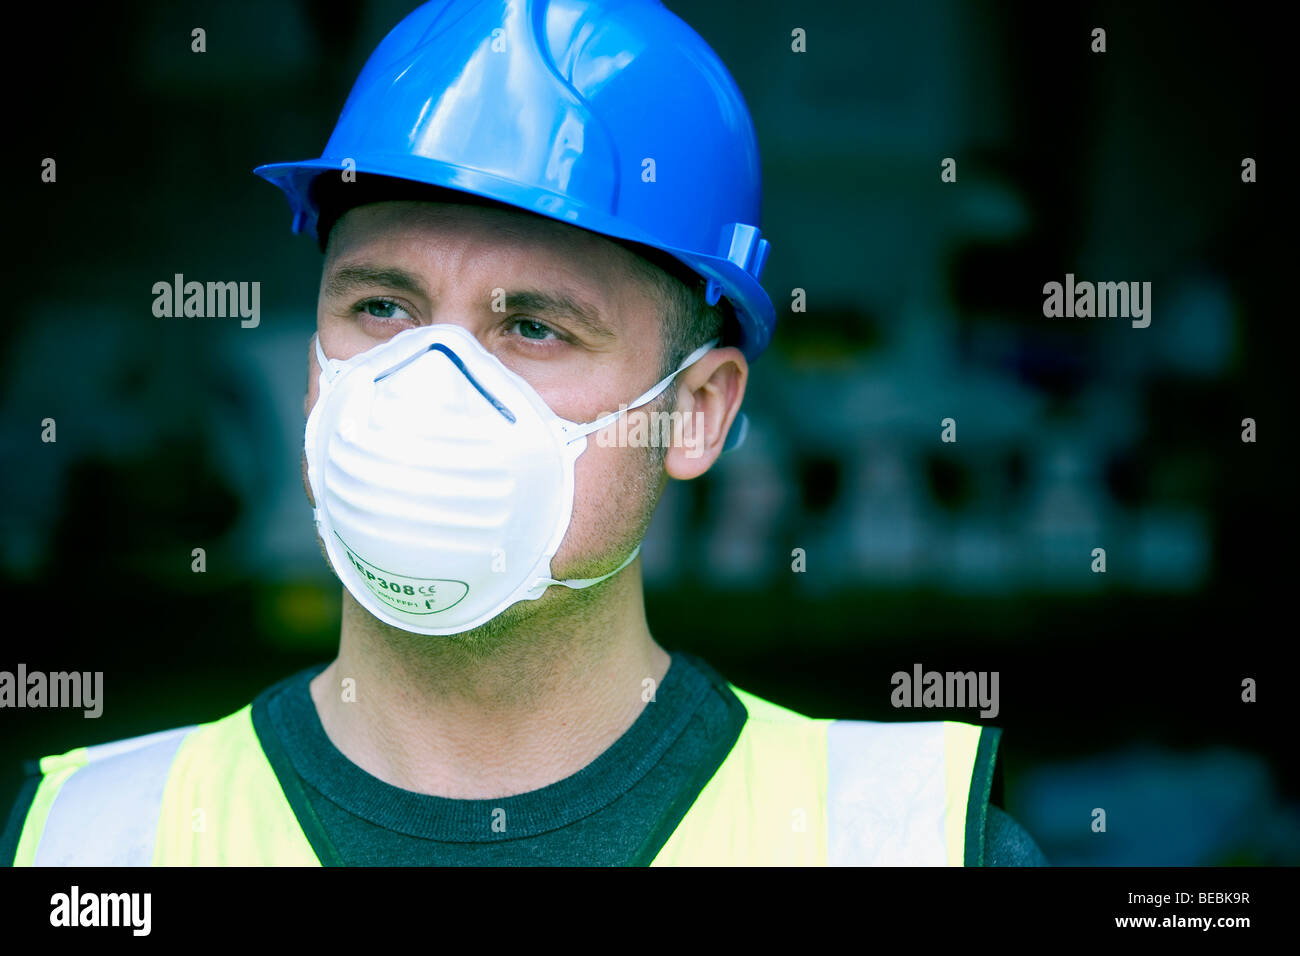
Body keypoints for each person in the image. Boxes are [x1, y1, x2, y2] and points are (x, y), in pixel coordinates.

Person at [2, 0, 1045, 866]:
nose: (431, 383)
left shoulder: (908, 840)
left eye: (534, 327)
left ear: (696, 412)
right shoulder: (87, 844)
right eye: (380, 309)